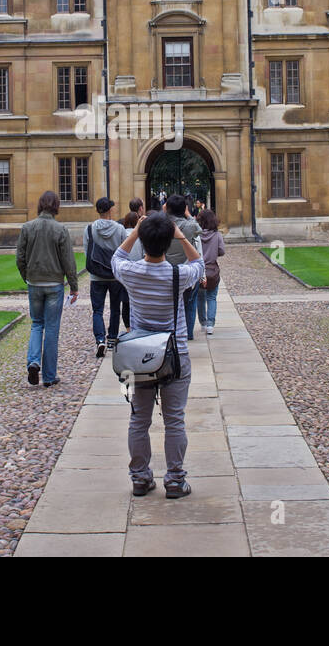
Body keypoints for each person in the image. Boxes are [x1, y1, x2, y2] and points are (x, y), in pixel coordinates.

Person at [111, 211, 205, 499]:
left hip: (139, 356)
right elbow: (198, 263)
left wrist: (136, 232)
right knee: (174, 419)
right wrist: (180, 235)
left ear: (144, 240)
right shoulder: (179, 274)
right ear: (167, 242)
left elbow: (117, 257)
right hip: (174, 355)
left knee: (139, 419)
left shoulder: (131, 272)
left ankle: (140, 478)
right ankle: (175, 481)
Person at [16, 191, 78, 388]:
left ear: (40, 205)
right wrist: (74, 286)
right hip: (54, 284)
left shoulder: (27, 227)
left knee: (36, 324)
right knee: (51, 328)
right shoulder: (60, 229)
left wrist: (27, 276)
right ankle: (49, 376)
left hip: (34, 283)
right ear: (56, 206)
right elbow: (68, 261)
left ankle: (33, 362)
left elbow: (20, 258)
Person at [85, 196, 126, 358]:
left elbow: (87, 252)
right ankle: (112, 338)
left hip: (97, 275)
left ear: (97, 211)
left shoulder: (89, 229)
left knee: (97, 310)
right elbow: (124, 252)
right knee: (115, 308)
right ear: (109, 210)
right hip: (114, 275)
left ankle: (100, 339)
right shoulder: (120, 229)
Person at [163, 195, 203, 340]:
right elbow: (199, 230)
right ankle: (186, 333)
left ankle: (170, 332)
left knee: (168, 304)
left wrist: (164, 212)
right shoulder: (190, 225)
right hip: (185, 270)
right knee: (187, 303)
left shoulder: (164, 225)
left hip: (166, 269)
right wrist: (188, 214)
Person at [197, 209, 225, 335]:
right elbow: (222, 251)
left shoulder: (196, 235)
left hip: (200, 270)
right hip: (212, 270)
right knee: (212, 297)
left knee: (200, 298)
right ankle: (210, 325)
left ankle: (203, 323)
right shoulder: (217, 235)